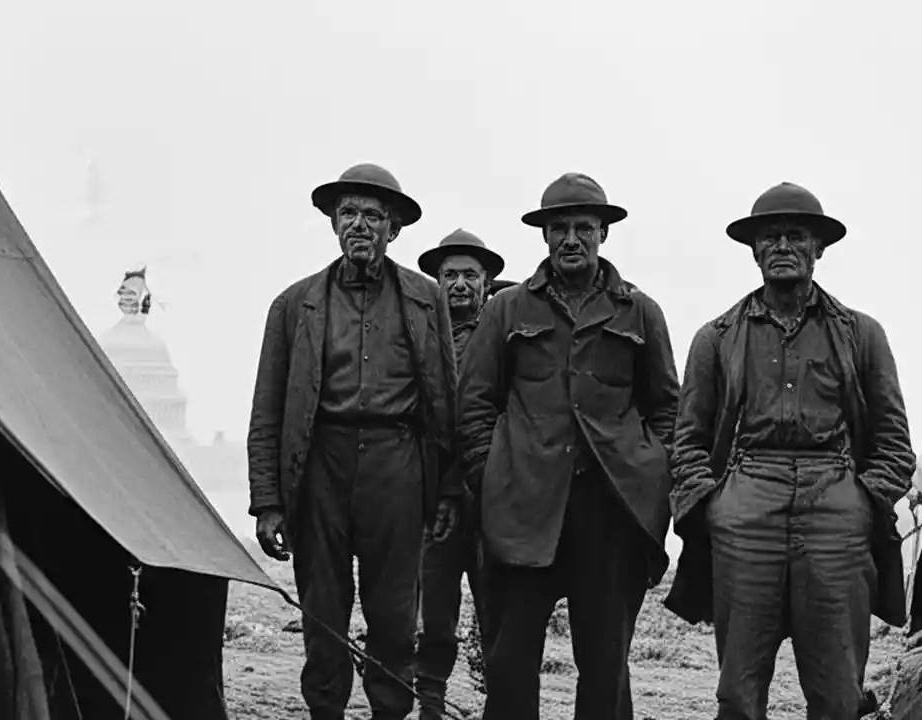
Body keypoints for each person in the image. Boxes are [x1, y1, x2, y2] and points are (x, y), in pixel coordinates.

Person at [664, 182, 916, 720]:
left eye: (796, 236)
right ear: (753, 251)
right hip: (744, 505)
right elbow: (686, 442)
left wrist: (864, 501)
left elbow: (895, 442)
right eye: (770, 237)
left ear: (818, 248)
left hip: (836, 506)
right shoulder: (716, 338)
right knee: (738, 692)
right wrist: (714, 508)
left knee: (838, 693)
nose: (782, 246)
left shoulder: (862, 335)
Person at [457, 172, 679, 719]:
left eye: (584, 227)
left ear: (604, 233)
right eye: (560, 228)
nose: (572, 239)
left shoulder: (639, 311)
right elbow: (475, 403)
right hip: (522, 506)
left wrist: (652, 474)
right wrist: (489, 475)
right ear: (545, 235)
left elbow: (669, 409)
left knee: (605, 666)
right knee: (510, 663)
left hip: (611, 509)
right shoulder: (506, 309)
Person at [246, 163, 461, 720]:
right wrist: (268, 501)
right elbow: (268, 407)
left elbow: (446, 399)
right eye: (348, 213)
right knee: (323, 614)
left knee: (393, 617)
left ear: (394, 229)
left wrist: (448, 492)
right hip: (321, 468)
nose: (359, 224)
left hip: (398, 469)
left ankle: (391, 711)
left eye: (372, 215)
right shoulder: (293, 305)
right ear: (333, 224)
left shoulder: (425, 298)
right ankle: (326, 711)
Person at [413, 228, 506, 719]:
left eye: (471, 275)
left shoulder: (504, 338)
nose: (460, 284)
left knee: (498, 612)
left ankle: (500, 701)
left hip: (491, 499)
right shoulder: (418, 338)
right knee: (436, 618)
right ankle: (429, 702)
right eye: (449, 275)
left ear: (487, 281)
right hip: (434, 504)